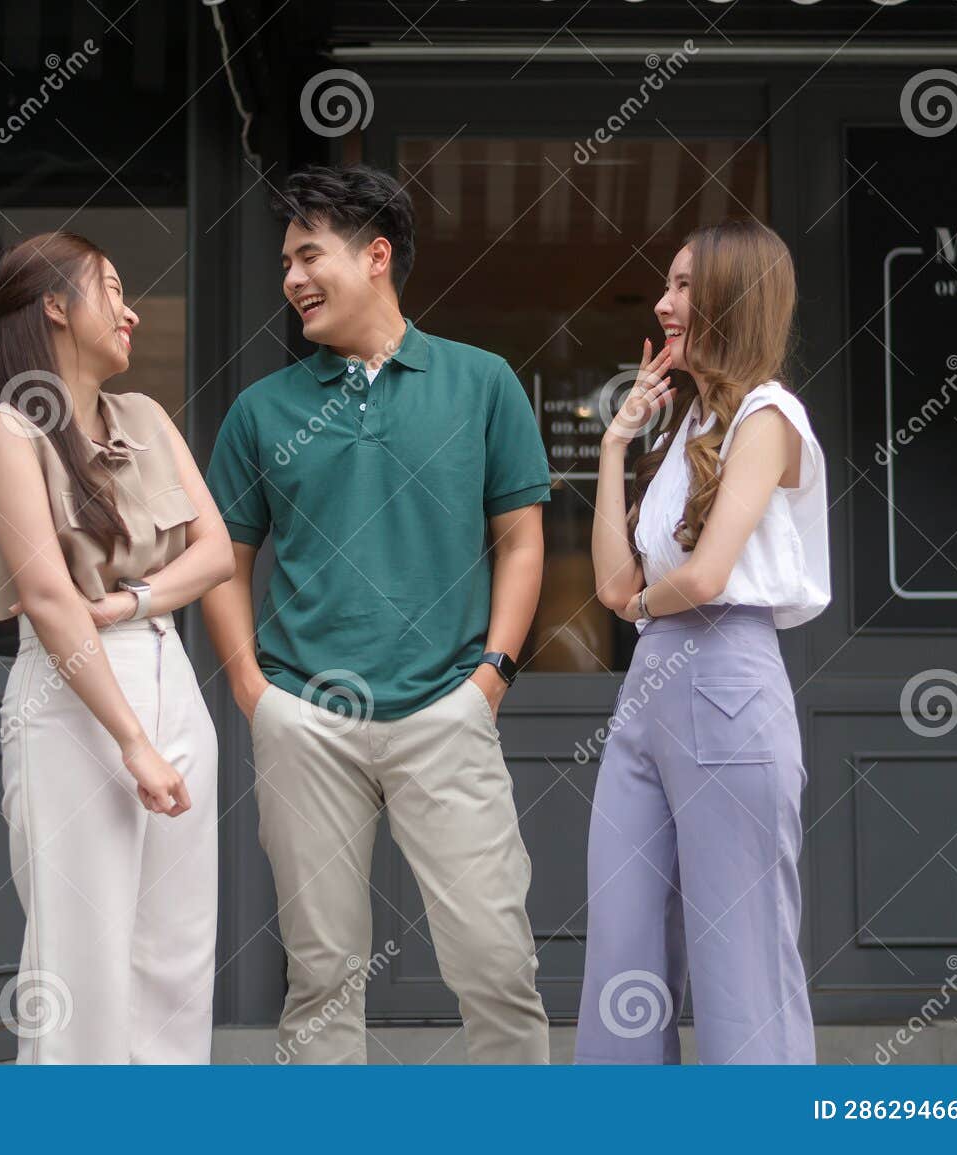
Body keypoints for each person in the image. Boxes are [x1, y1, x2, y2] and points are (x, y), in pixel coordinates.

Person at [203, 164, 552, 1064]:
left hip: (448, 707)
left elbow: (521, 539)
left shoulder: (483, 384)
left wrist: (492, 678)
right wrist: (252, 688)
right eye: (285, 261)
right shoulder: (260, 409)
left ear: (378, 257)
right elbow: (221, 561)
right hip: (305, 718)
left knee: (497, 962)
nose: (291, 279)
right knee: (321, 976)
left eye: (308, 254)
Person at [0, 231, 233, 1063]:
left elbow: (217, 554)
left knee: (176, 950)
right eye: (111, 288)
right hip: (76, 694)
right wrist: (133, 741)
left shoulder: (146, 417)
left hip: (164, 663)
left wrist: (131, 600)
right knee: (82, 953)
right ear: (53, 303)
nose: (131, 310)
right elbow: (47, 597)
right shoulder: (6, 434)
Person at [576, 219, 830, 1064]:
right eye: (668, 284)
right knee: (622, 943)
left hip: (727, 677)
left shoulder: (768, 413)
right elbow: (616, 589)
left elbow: (710, 574)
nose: (663, 302)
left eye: (684, 286)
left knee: (741, 956)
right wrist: (616, 445)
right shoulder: (688, 428)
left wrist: (648, 603)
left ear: (732, 298)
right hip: (650, 686)